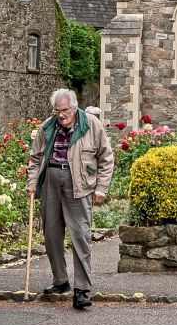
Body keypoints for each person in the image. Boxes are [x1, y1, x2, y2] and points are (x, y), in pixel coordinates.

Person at [26, 88, 115, 310]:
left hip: (80, 184)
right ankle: (61, 281)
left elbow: (106, 157)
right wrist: (32, 181)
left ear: (74, 108)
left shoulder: (91, 124)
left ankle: (82, 290)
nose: (61, 115)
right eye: (57, 111)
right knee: (52, 234)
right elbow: (36, 157)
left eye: (64, 110)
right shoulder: (48, 126)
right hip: (52, 180)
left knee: (80, 236)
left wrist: (101, 188)